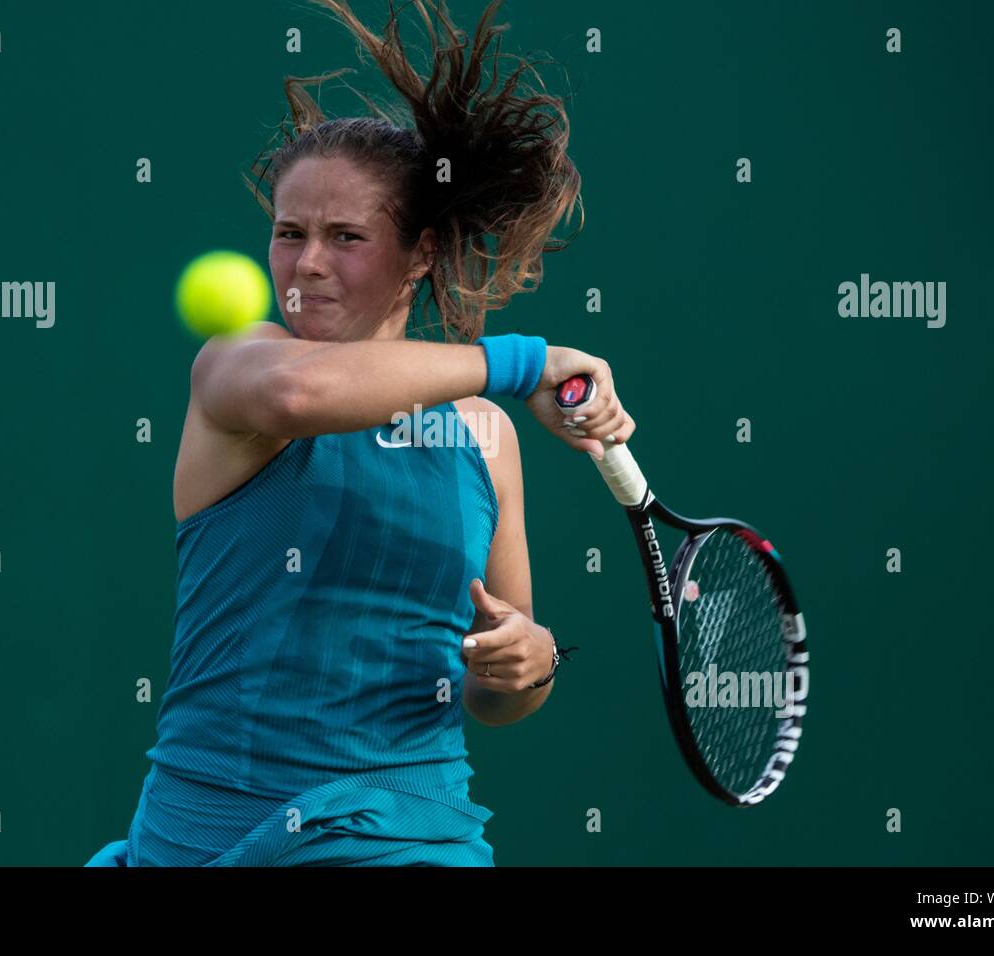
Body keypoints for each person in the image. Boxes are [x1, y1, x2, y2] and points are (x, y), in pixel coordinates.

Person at [87, 0, 633, 868]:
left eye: (345, 238)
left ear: (419, 254)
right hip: (202, 836)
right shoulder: (240, 368)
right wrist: (528, 360)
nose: (307, 264)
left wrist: (525, 664)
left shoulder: (487, 437)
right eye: (288, 233)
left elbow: (500, 682)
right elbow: (308, 394)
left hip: (406, 835)